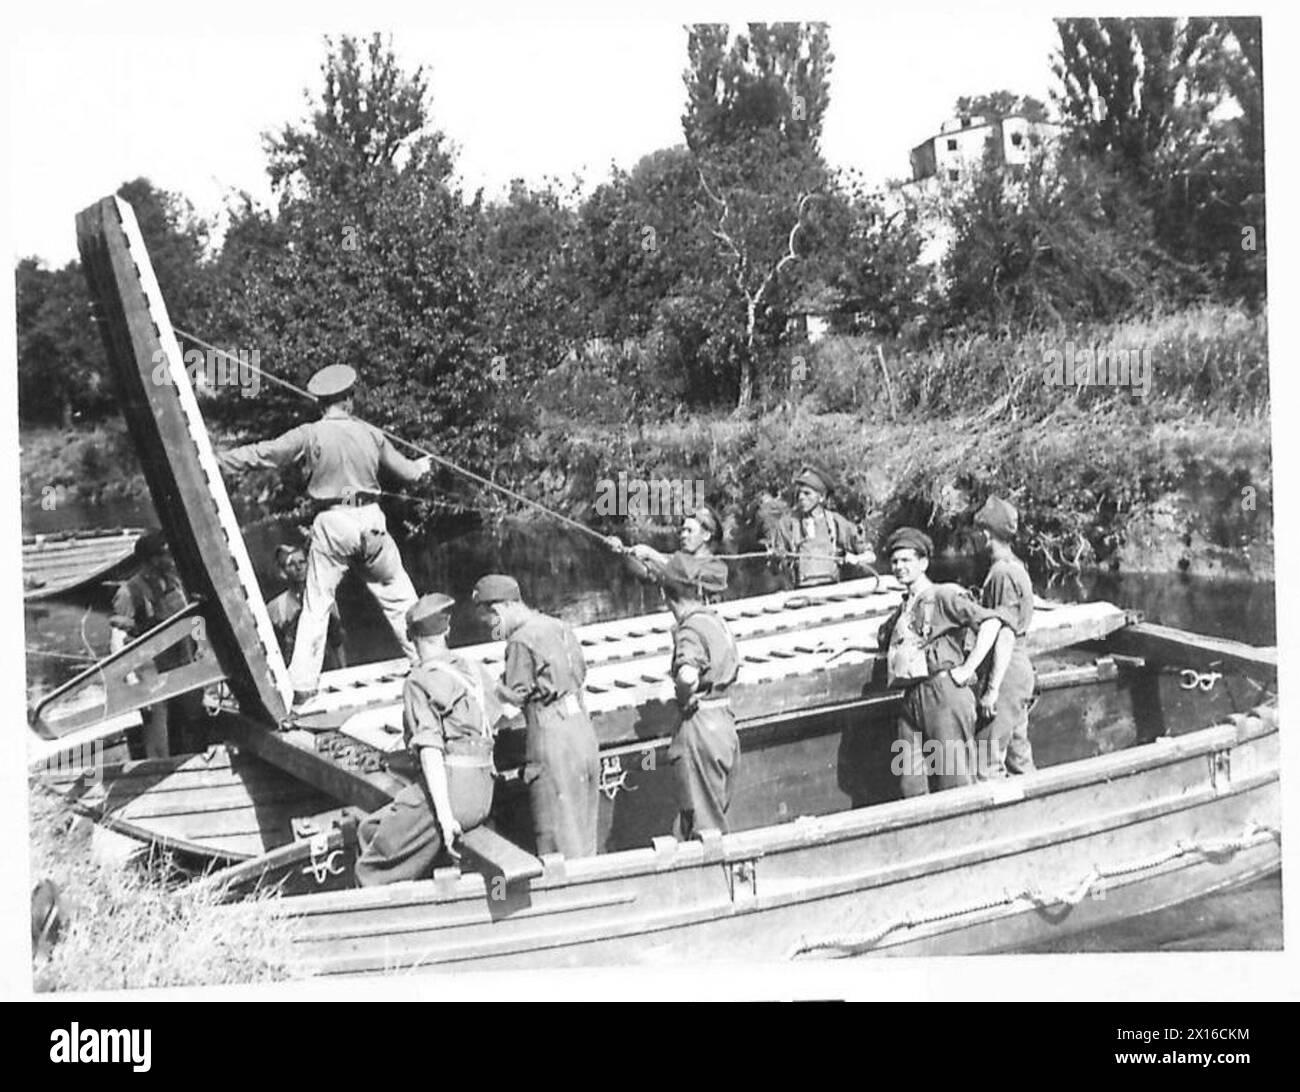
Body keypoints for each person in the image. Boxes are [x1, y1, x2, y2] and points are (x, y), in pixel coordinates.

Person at [216, 364, 431, 707]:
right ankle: (428, 661)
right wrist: (422, 466)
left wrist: (218, 461)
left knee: (317, 606)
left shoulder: (310, 433)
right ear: (347, 399)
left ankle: (303, 685)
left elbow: (264, 453)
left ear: (321, 403)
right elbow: (409, 473)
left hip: (334, 521)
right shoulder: (371, 433)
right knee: (399, 597)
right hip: (371, 521)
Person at [354, 594, 496, 887]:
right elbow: (494, 718)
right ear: (447, 630)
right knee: (372, 828)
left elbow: (431, 751)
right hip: (483, 790)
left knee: (370, 867)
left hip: (453, 793)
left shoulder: (419, 680)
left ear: (411, 637)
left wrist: (445, 819)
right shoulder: (474, 670)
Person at [473, 574, 600, 859]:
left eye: (491, 622)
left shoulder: (521, 641)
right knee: (583, 831)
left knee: (556, 833)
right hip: (581, 729)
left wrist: (492, 686)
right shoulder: (560, 626)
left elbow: (517, 694)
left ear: (500, 609)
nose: (495, 630)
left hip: (551, 737)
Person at [878, 527, 1003, 797]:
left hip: (943, 695)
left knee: (954, 779)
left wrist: (967, 669)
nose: (899, 567)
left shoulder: (944, 594)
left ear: (923, 563)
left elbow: (991, 622)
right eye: (895, 561)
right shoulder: (904, 607)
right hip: (911, 697)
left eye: (906, 560)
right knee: (909, 780)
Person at [658, 552, 740, 839]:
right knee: (713, 812)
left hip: (700, 725)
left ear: (665, 594)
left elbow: (688, 675)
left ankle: (713, 882)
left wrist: (684, 695)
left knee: (705, 827)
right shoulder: (715, 621)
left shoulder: (690, 627)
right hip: (724, 722)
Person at [109, 529, 205, 758]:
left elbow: (196, 616)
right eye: (165, 555)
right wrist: (132, 680)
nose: (170, 559)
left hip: (184, 665)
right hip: (151, 672)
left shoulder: (176, 582)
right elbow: (117, 640)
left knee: (192, 722)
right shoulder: (129, 592)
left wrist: (201, 645)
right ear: (150, 560)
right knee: (158, 732)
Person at [971, 496, 1037, 778]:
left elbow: (1005, 633)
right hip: (1019, 670)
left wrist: (992, 689)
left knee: (987, 763)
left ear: (986, 535)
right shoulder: (1016, 566)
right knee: (1017, 756)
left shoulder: (1001, 574)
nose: (973, 539)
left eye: (976, 532)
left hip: (1006, 672)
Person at [767, 466, 875, 588]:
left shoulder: (835, 522)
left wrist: (855, 558)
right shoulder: (787, 524)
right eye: (799, 493)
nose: (801, 497)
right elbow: (773, 569)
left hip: (832, 591)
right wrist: (776, 559)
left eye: (807, 493)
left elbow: (870, 556)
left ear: (821, 497)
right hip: (799, 594)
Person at [604, 504, 728, 602]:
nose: (683, 535)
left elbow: (687, 575)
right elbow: (645, 572)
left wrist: (651, 554)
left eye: (689, 531)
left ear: (706, 535)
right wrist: (623, 553)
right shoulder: (675, 560)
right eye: (682, 530)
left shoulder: (718, 569)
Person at [265, 543, 347, 672]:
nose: (298, 568)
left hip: (325, 670)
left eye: (302, 562)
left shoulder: (324, 599)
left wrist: (343, 671)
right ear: (282, 572)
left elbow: (337, 641)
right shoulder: (274, 607)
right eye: (291, 564)